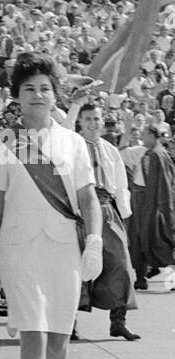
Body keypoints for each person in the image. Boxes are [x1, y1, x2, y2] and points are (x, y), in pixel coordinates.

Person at [0, 53, 103, 359]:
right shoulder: (2, 144)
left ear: (56, 96)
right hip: (19, 251)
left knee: (58, 339)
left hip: (63, 250)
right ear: (17, 95)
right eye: (29, 89)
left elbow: (88, 197)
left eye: (45, 89)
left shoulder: (73, 144)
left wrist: (96, 241)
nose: (37, 95)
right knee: (33, 334)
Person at [66, 98, 140, 340]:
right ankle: (70, 324)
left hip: (107, 210)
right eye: (88, 119)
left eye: (96, 118)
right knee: (75, 268)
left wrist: (123, 214)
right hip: (79, 211)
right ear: (80, 122)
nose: (93, 123)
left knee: (122, 263)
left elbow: (120, 184)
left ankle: (118, 321)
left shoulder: (110, 150)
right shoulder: (71, 145)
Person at [132, 124, 175, 289]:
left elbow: (165, 186)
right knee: (138, 240)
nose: (142, 138)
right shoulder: (148, 154)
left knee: (158, 242)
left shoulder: (159, 155)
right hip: (140, 202)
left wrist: (162, 209)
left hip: (152, 206)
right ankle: (140, 278)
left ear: (152, 135)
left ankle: (171, 278)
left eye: (144, 134)